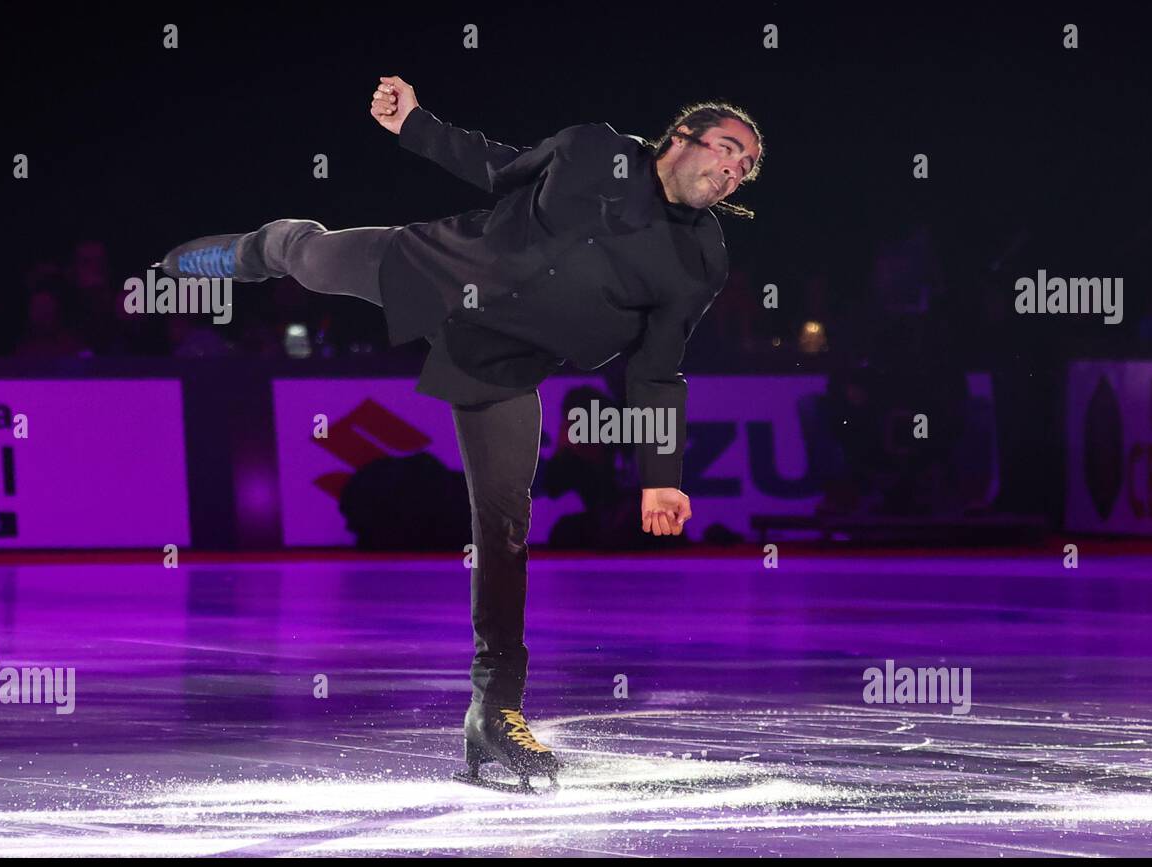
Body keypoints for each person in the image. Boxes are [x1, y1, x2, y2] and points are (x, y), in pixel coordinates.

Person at [154, 76, 763, 788]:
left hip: (501, 364)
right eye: (727, 149)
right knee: (314, 263)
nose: (732, 171)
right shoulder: (593, 147)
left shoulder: (700, 258)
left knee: (504, 529)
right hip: (436, 267)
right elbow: (497, 167)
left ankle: (493, 713)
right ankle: (264, 246)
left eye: (746, 167)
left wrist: (662, 477)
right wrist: (414, 123)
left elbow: (658, 370)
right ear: (681, 139)